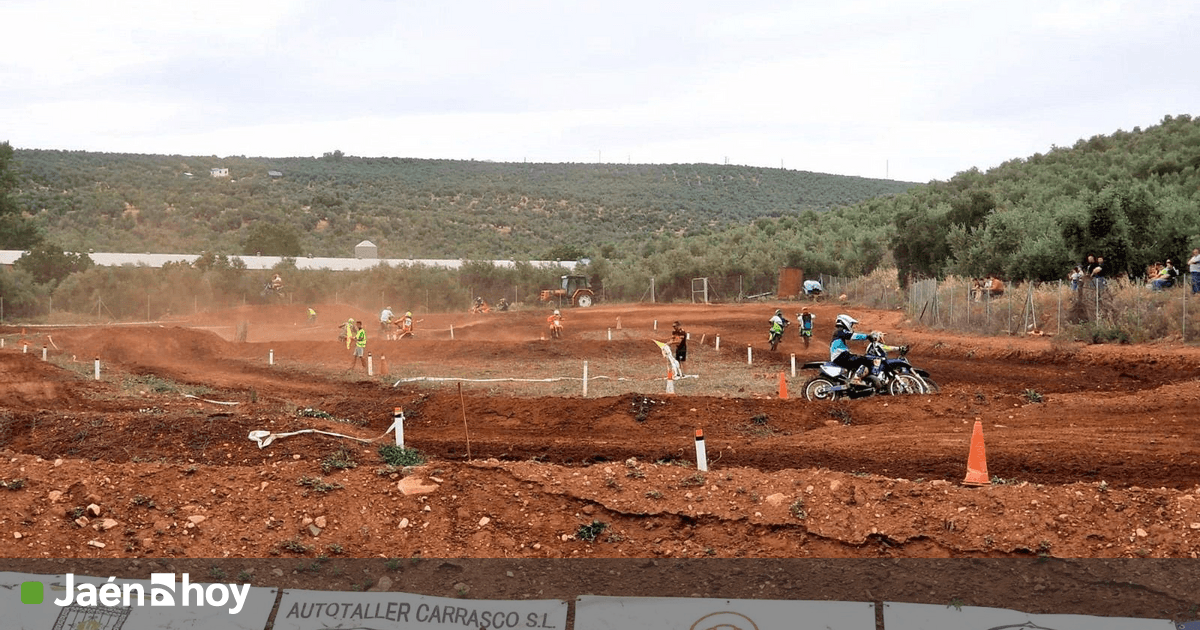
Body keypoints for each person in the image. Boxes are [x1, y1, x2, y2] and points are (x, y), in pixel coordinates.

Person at [829, 313, 874, 386]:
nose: (852, 327)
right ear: (846, 322)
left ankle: (852, 379)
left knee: (858, 359)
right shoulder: (840, 331)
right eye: (851, 324)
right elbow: (852, 336)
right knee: (864, 360)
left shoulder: (838, 332)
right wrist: (867, 336)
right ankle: (856, 380)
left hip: (841, 356)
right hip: (841, 357)